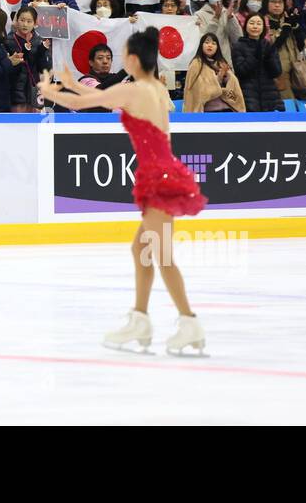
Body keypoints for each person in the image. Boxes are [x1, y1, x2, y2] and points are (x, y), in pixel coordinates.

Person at [37, 28, 206, 355]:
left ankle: (189, 322)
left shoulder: (136, 91)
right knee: (140, 247)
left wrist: (50, 90)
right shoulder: (153, 87)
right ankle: (141, 318)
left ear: (133, 58)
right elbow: (97, 95)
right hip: (163, 170)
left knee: (161, 254)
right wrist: (71, 82)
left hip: (159, 175)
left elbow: (83, 102)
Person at [232, 12, 283, 112]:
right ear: (245, 26)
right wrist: (255, 56)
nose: (255, 26)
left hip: (270, 97)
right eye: (251, 23)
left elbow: (277, 72)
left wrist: (269, 58)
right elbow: (240, 71)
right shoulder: (239, 46)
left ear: (263, 27)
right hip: (248, 95)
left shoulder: (268, 45)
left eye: (259, 24)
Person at [183, 34, 244, 112]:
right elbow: (197, 90)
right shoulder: (196, 64)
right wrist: (219, 77)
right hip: (207, 111)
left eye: (213, 43)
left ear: (217, 47)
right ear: (201, 46)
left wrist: (227, 77)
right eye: (207, 42)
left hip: (227, 109)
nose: (210, 45)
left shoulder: (222, 63)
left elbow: (233, 87)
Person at [6, 5, 50, 112]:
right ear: (16, 21)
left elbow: (43, 68)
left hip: (34, 89)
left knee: (35, 125)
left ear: (35, 24)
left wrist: (42, 51)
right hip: (15, 89)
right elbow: (10, 67)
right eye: (22, 20)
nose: (25, 24)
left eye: (29, 21)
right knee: (17, 123)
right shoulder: (9, 40)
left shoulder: (39, 41)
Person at [193, 0, 243, 65]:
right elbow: (204, 40)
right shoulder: (199, 15)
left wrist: (231, 19)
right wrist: (215, 18)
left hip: (225, 63)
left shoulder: (228, 13)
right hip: (206, 63)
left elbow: (238, 39)